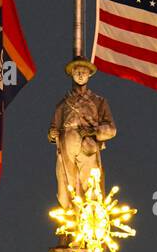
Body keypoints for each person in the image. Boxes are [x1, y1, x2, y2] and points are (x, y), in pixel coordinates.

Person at [48, 57, 117, 213]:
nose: (80, 75)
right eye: (77, 72)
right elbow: (53, 128)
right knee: (66, 186)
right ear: (72, 74)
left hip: (88, 147)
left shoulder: (99, 101)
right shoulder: (62, 104)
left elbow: (112, 129)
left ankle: (90, 217)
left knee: (90, 186)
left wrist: (93, 132)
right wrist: (52, 134)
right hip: (67, 146)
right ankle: (70, 218)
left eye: (84, 72)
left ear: (89, 75)